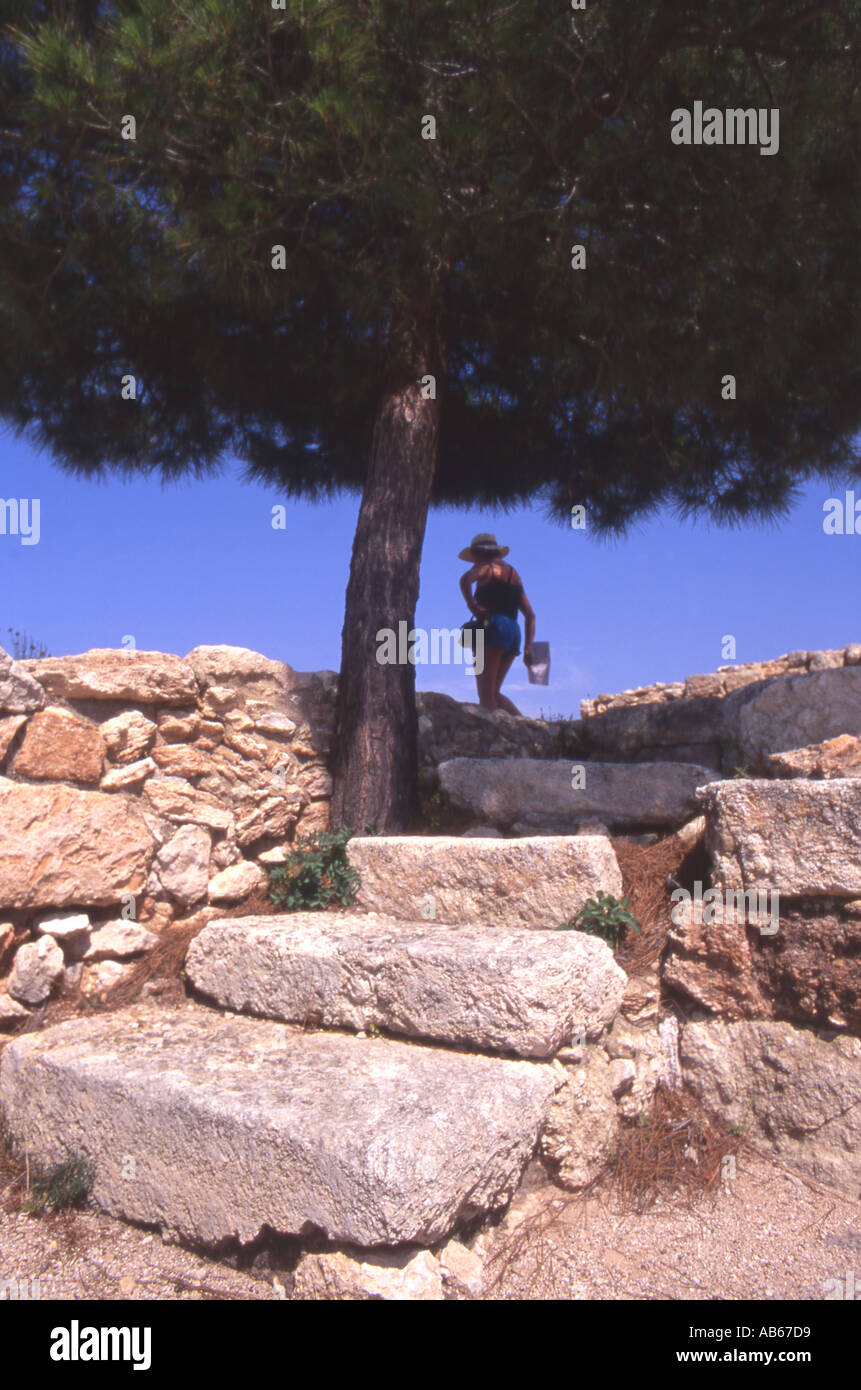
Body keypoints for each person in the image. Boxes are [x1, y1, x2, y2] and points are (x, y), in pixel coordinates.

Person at [458, 532, 536, 714]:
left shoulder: (486, 567)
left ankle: (492, 735)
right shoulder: (513, 574)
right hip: (513, 631)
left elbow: (465, 580)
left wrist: (472, 606)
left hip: (492, 628)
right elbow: (530, 615)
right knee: (494, 693)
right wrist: (528, 649)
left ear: (479, 553)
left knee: (486, 697)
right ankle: (526, 728)